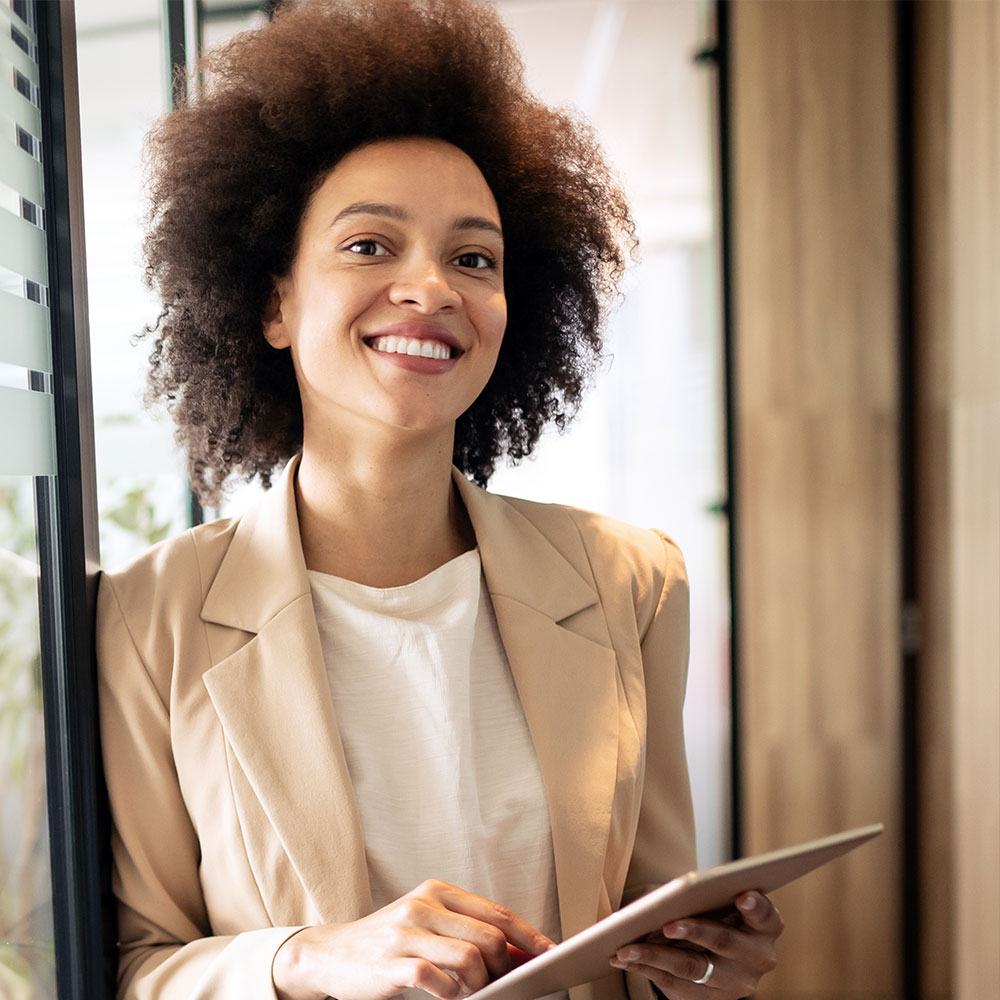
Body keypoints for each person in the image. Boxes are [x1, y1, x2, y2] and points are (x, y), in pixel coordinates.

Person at [96, 2, 783, 999]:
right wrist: (304, 956)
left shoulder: (629, 581)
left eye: (473, 258)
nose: (431, 288)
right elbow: (132, 966)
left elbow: (653, 940)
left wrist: (711, 968)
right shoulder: (147, 616)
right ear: (274, 300)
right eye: (370, 245)